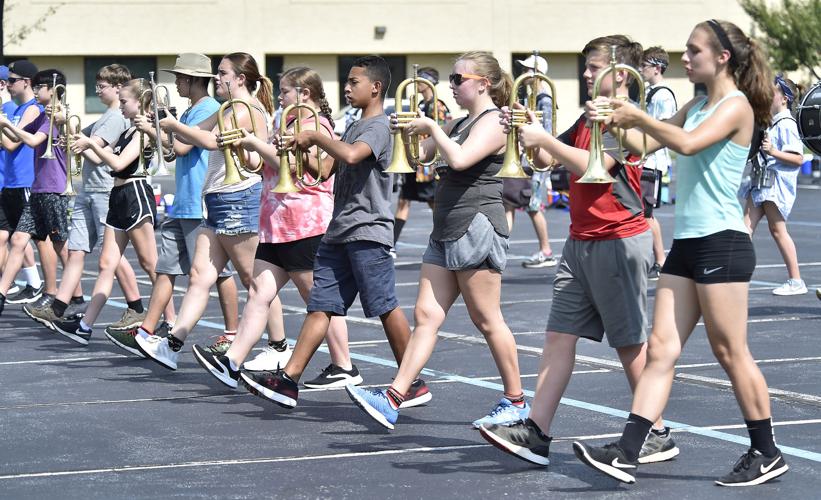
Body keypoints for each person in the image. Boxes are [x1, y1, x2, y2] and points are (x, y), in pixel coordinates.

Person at [572, 20, 789, 487]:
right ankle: (628, 451)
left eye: (693, 51)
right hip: (689, 243)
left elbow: (687, 143)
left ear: (723, 57)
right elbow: (647, 145)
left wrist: (635, 114)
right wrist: (612, 122)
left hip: (723, 242)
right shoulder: (697, 103)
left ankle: (767, 452)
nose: (684, 59)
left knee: (730, 351)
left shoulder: (736, 107)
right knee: (662, 351)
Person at [479, 35, 675, 466]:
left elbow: (597, 166)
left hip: (618, 239)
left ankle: (656, 431)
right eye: (586, 67)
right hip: (582, 239)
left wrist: (542, 140)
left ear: (618, 74)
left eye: (592, 66)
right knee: (557, 337)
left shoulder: (625, 120)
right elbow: (554, 162)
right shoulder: (588, 115)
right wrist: (531, 133)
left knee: (629, 345)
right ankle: (537, 430)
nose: (585, 74)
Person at [346, 51, 528, 430]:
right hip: (446, 227)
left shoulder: (495, 120)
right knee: (426, 315)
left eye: (459, 78)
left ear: (484, 83)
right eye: (452, 77)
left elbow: (460, 159)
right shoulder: (462, 121)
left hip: (476, 225)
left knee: (487, 319)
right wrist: (407, 133)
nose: (452, 83)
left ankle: (516, 400)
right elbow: (422, 159)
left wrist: (431, 125)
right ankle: (395, 397)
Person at [238, 55, 430, 410]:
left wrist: (313, 134)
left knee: (385, 306)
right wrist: (296, 151)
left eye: (353, 82)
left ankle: (413, 382)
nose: (346, 87)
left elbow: (354, 156)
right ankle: (288, 380)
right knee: (321, 306)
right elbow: (325, 170)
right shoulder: (355, 124)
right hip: (339, 230)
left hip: (367, 230)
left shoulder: (379, 126)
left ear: (375, 87)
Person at [193, 66, 360, 389]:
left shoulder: (316, 125)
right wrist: (242, 147)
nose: (280, 98)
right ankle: (232, 362)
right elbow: (261, 165)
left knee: (319, 299)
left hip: (304, 223)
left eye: (285, 92)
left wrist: (256, 143)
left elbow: (302, 169)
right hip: (274, 223)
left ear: (304, 94)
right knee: (258, 293)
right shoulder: (283, 122)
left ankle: (344, 365)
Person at [135, 52, 272, 370]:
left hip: (239, 198)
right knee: (199, 277)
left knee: (255, 279)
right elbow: (190, 139)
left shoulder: (245, 108)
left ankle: (276, 346)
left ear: (240, 78)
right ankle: (171, 346)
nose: (218, 79)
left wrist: (168, 124)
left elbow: (210, 142)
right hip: (217, 200)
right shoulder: (226, 108)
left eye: (223, 73)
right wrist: (163, 125)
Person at [103, 54, 241, 358]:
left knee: (216, 274)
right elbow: (172, 153)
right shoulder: (192, 110)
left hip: (198, 202)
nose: (176, 82)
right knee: (165, 269)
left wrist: (155, 127)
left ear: (192, 80)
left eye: (180, 78)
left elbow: (181, 146)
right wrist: (157, 131)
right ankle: (145, 332)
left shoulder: (209, 109)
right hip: (182, 203)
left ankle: (232, 332)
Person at [24, 64, 145, 329]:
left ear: (117, 88)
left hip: (103, 191)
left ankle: (136, 307)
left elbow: (95, 154)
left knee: (112, 256)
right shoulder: (105, 116)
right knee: (76, 251)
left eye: (101, 86)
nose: (97, 90)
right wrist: (65, 125)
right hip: (87, 189)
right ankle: (58, 308)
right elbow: (80, 137)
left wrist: (72, 132)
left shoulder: (116, 117)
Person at [50, 78, 162, 345]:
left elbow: (120, 162)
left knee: (151, 265)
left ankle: (168, 322)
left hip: (135, 193)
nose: (120, 106)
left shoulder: (142, 132)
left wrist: (91, 144)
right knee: (106, 263)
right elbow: (101, 158)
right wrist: (80, 139)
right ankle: (86, 326)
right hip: (117, 195)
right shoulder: (126, 131)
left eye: (124, 101)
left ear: (141, 102)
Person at [0, 70, 72, 315]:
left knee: (61, 246)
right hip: (40, 187)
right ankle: (1, 294)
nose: (36, 91)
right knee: (19, 239)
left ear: (52, 90)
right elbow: (16, 137)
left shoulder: (60, 117)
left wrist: (6, 124)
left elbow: (31, 141)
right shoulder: (43, 115)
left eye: (40, 87)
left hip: (54, 188)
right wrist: (5, 125)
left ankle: (72, 294)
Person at [740, 75, 806, 296]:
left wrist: (773, 152)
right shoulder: (773, 122)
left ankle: (796, 280)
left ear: (784, 98)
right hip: (761, 180)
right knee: (744, 228)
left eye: (773, 92)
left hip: (775, 184)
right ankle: (736, 275)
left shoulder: (787, 124)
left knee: (777, 230)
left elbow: (798, 158)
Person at [392, 66, 451, 257]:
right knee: (403, 201)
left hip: (429, 167)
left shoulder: (438, 106)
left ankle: (445, 239)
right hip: (416, 164)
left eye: (421, 82)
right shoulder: (422, 105)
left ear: (428, 83)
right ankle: (391, 245)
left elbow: (441, 134)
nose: (417, 85)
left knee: (435, 204)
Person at [506, 54, 558, 269]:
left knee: (533, 205)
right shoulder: (529, 97)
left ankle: (546, 250)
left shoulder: (544, 99)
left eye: (528, 69)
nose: (524, 73)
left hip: (538, 158)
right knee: (510, 201)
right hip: (526, 157)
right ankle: (500, 245)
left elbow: (545, 131)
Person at [0, 60, 44, 304]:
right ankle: (33, 284)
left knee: (44, 242)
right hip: (11, 182)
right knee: (14, 238)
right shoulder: (17, 110)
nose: (9, 85)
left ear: (25, 82)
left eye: (13, 80)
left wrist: (3, 127)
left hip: (26, 181)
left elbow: (10, 143)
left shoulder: (32, 108)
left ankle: (65, 292)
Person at [640, 47, 678, 280]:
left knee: (646, 214)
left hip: (652, 161)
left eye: (644, 65)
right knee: (640, 212)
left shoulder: (663, 95)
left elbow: (664, 128)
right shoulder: (648, 91)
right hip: (643, 158)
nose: (641, 69)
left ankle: (661, 260)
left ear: (656, 67)